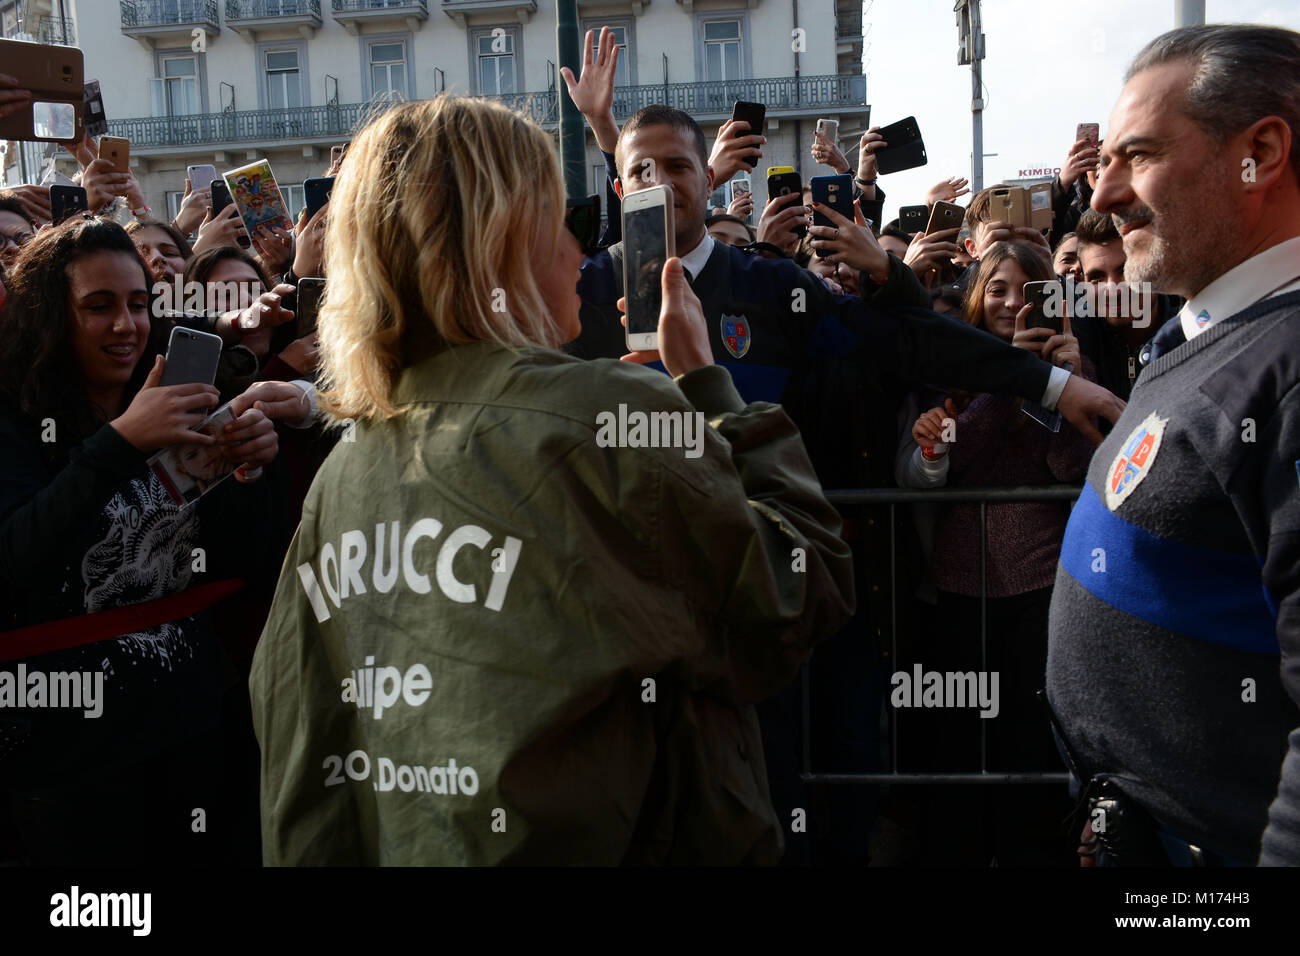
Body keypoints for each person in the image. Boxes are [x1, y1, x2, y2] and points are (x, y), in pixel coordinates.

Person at [248, 95, 856, 866]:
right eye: (554, 214)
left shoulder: (345, 468)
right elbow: (803, 586)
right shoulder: (608, 414)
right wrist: (705, 384)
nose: (580, 244)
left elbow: (300, 750)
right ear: (498, 238)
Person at [1047, 24, 1300, 867]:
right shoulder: (1207, 329)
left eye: (1139, 156)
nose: (1104, 196)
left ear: (1258, 153)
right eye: (1105, 160)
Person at [0, 216, 280, 865]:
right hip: (72, 756)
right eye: (98, 307)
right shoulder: (15, 420)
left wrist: (249, 467)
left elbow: (242, 559)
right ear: (51, 317)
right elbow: (16, 557)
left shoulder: (174, 396)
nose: (126, 326)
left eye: (136, 304)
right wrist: (121, 442)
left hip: (197, 733)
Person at [899, 241, 1095, 865]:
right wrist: (1005, 382)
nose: (1014, 304)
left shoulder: (1070, 374)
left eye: (1028, 290)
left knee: (1028, 740)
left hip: (1042, 586)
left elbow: (1074, 468)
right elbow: (939, 467)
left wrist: (1061, 387)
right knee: (959, 738)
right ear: (980, 299)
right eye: (1001, 290)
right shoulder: (954, 370)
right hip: (959, 587)